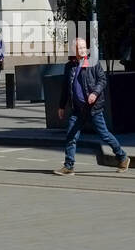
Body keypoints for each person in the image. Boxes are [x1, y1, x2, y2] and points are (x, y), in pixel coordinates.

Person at [55, 36, 129, 175]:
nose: (82, 50)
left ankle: (123, 157)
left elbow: (102, 79)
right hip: (77, 110)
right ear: (73, 50)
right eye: (79, 48)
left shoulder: (93, 63)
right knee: (71, 136)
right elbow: (66, 88)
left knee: (104, 135)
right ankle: (69, 166)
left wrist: (95, 93)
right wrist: (61, 106)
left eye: (84, 47)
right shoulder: (69, 66)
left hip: (93, 108)